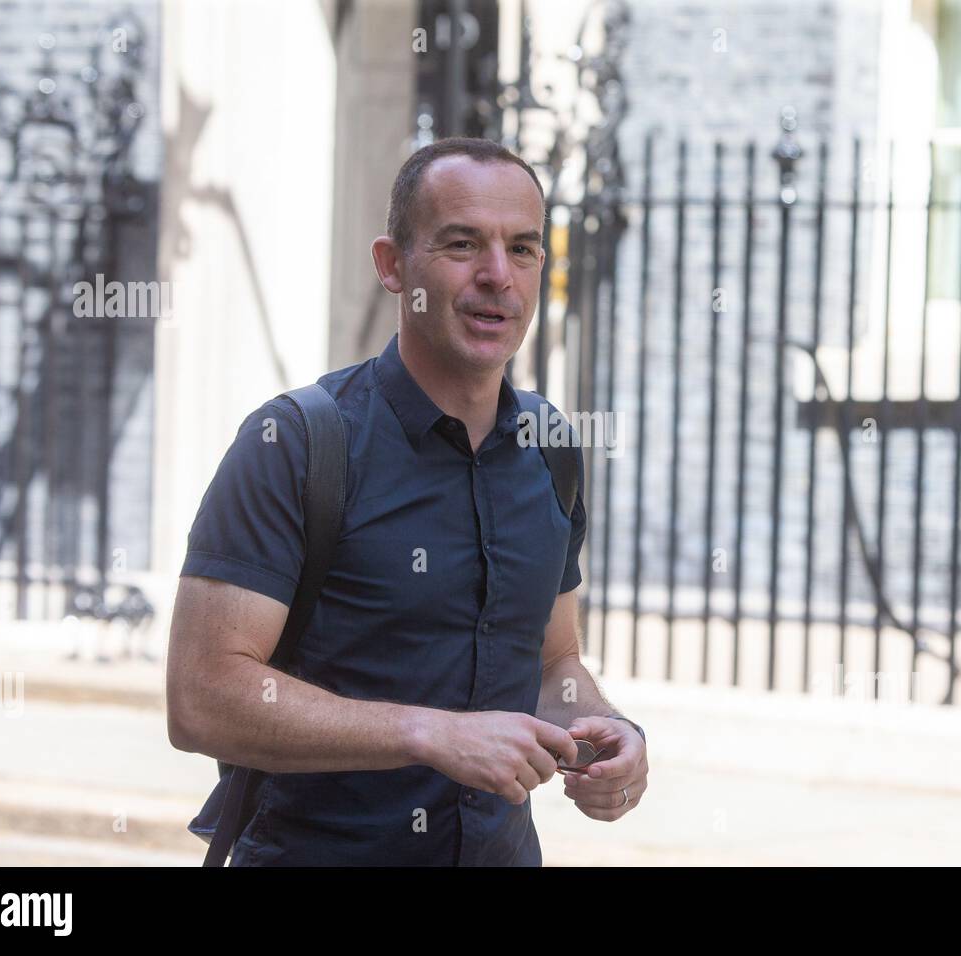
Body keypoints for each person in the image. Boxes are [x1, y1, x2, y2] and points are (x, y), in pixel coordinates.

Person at [166, 137, 649, 865]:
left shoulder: (550, 446)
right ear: (393, 266)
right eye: (462, 245)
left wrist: (610, 731)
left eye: (522, 249)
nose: (498, 276)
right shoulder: (294, 443)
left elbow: (553, 665)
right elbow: (202, 698)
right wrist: (429, 733)